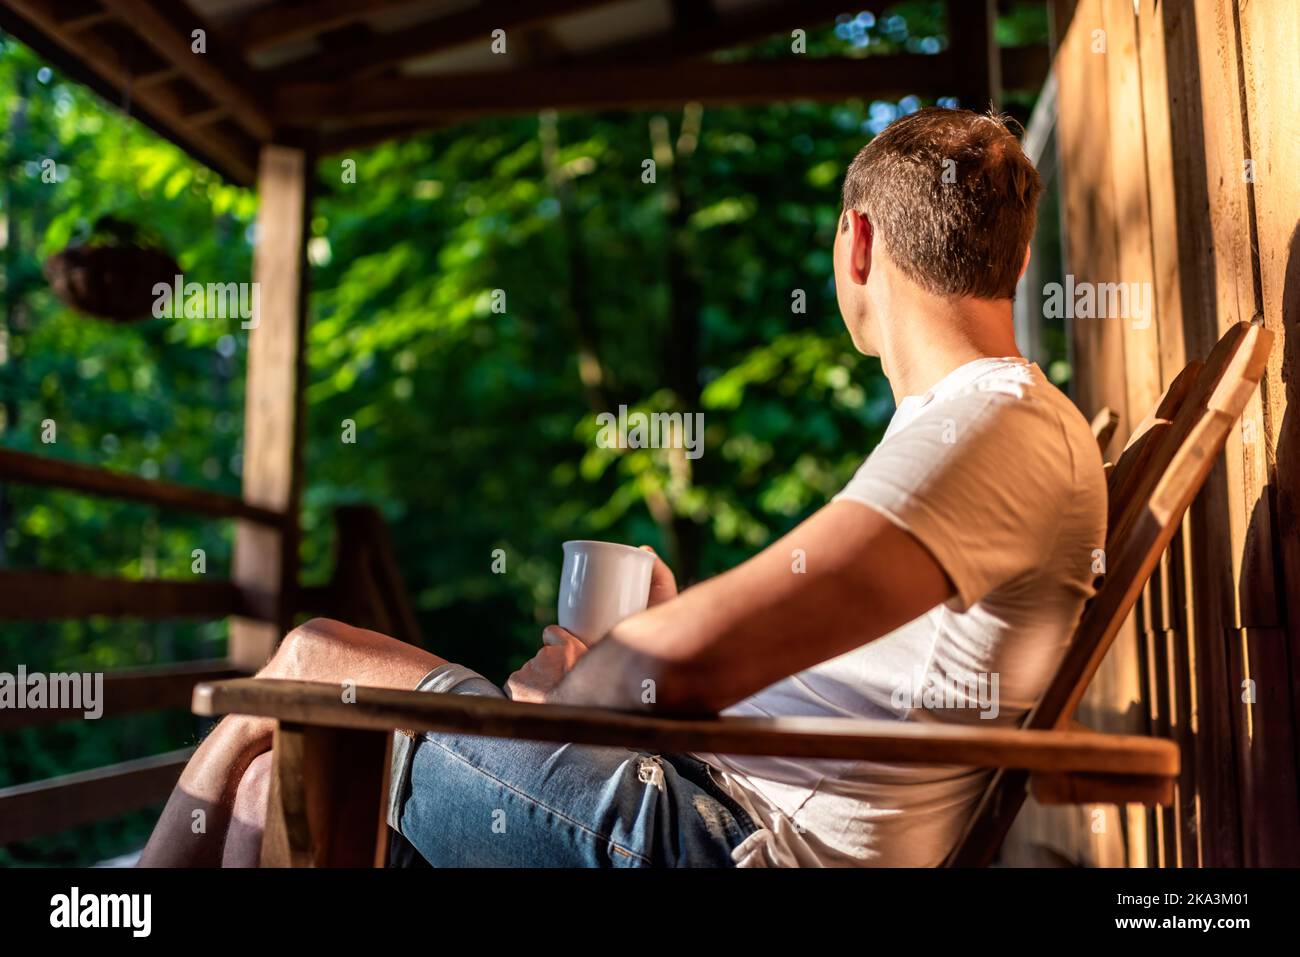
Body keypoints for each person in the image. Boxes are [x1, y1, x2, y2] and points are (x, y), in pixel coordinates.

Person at [140, 107, 1106, 868]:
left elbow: (686, 671)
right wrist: (657, 644)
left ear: (858, 245)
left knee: (311, 659)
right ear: (1019, 258)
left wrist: (565, 694)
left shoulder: (991, 426)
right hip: (706, 802)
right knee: (274, 782)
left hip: (722, 841)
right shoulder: (977, 427)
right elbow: (837, 684)